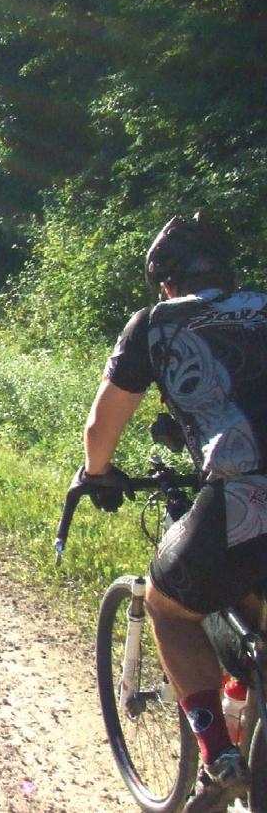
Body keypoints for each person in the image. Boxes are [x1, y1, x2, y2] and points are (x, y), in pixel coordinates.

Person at [67, 213, 267, 811]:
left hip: (245, 498)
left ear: (167, 280)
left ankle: (218, 754)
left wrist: (96, 475)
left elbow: (103, 423)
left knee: (168, 605)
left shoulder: (157, 324)